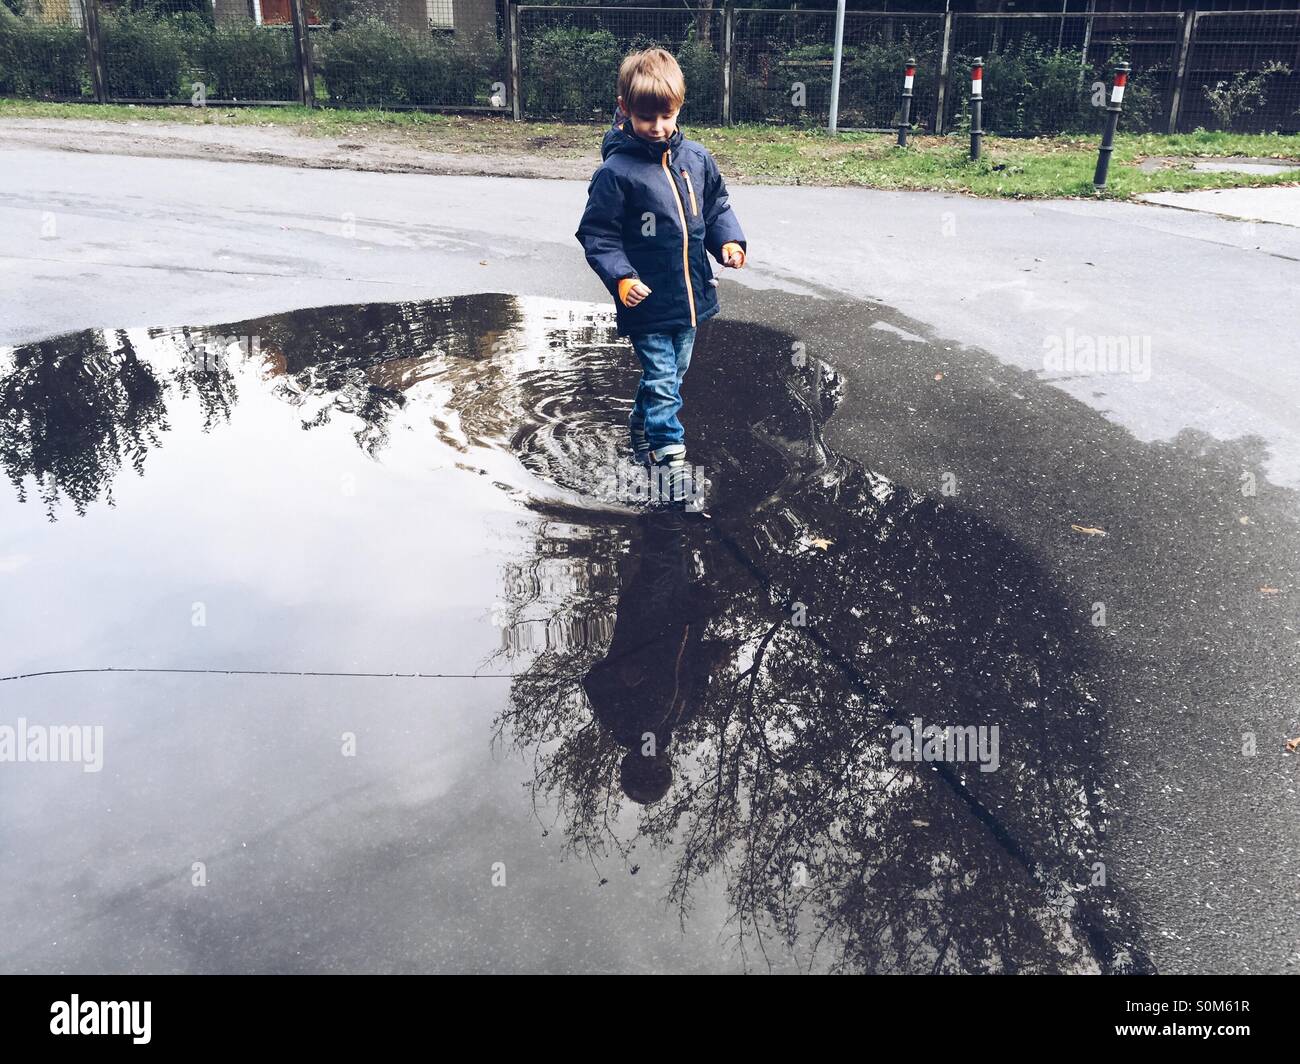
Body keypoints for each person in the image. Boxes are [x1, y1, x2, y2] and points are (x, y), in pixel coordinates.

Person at [575, 47, 747, 510]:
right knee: (664, 380)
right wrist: (623, 279)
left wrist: (729, 244)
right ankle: (672, 470)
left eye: (666, 116)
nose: (657, 127)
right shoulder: (617, 173)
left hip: (691, 297)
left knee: (673, 374)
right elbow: (599, 235)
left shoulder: (696, 159)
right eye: (646, 116)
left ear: (679, 108)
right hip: (647, 302)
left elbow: (715, 209)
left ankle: (640, 424)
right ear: (625, 108)